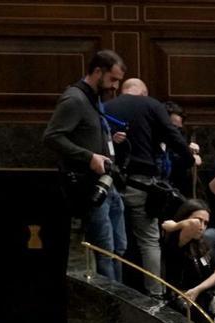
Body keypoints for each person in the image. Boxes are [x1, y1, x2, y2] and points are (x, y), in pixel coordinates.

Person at [103, 77, 195, 299]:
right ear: (143, 93)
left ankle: (110, 291)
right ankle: (155, 295)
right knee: (148, 240)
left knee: (111, 242)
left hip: (109, 182)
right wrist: (188, 156)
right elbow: (172, 135)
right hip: (141, 182)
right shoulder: (151, 105)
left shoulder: (105, 107)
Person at [42, 49, 127, 281]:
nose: (115, 87)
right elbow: (51, 137)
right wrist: (89, 157)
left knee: (119, 248)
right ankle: (111, 306)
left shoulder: (93, 99)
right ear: (97, 71)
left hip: (107, 183)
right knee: (105, 251)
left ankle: (122, 301)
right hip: (89, 186)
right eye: (113, 80)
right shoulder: (75, 98)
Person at [161, 200, 215, 321]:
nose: (201, 227)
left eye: (205, 223)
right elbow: (192, 224)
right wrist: (175, 226)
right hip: (183, 305)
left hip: (203, 298)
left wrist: (198, 289)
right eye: (199, 220)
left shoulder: (202, 243)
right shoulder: (177, 241)